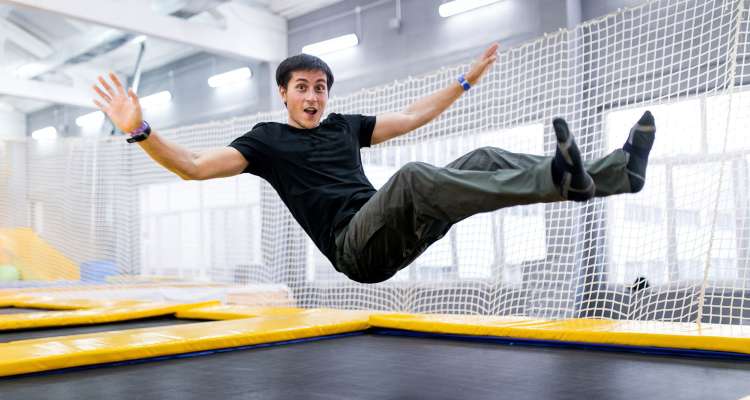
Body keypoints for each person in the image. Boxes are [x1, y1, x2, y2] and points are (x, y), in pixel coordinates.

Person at [93, 43, 655, 284]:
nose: (313, 97)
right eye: (302, 88)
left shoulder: (344, 127)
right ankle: (559, 181)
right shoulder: (264, 142)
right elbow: (191, 165)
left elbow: (412, 117)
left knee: (481, 157)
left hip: (397, 229)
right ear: (284, 94)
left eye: (320, 88)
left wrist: (464, 81)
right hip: (354, 249)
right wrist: (141, 130)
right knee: (412, 178)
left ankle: (616, 174)